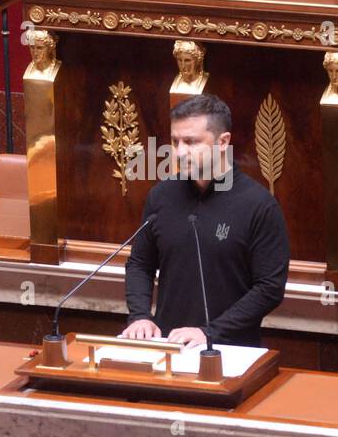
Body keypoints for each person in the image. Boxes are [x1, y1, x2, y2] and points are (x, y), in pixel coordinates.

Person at [122, 94, 289, 347]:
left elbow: (269, 288)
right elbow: (140, 264)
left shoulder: (259, 205)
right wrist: (140, 316)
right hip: (168, 345)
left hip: (230, 349)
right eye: (176, 142)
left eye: (191, 142)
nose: (179, 152)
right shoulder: (161, 196)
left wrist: (210, 331)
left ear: (223, 142)